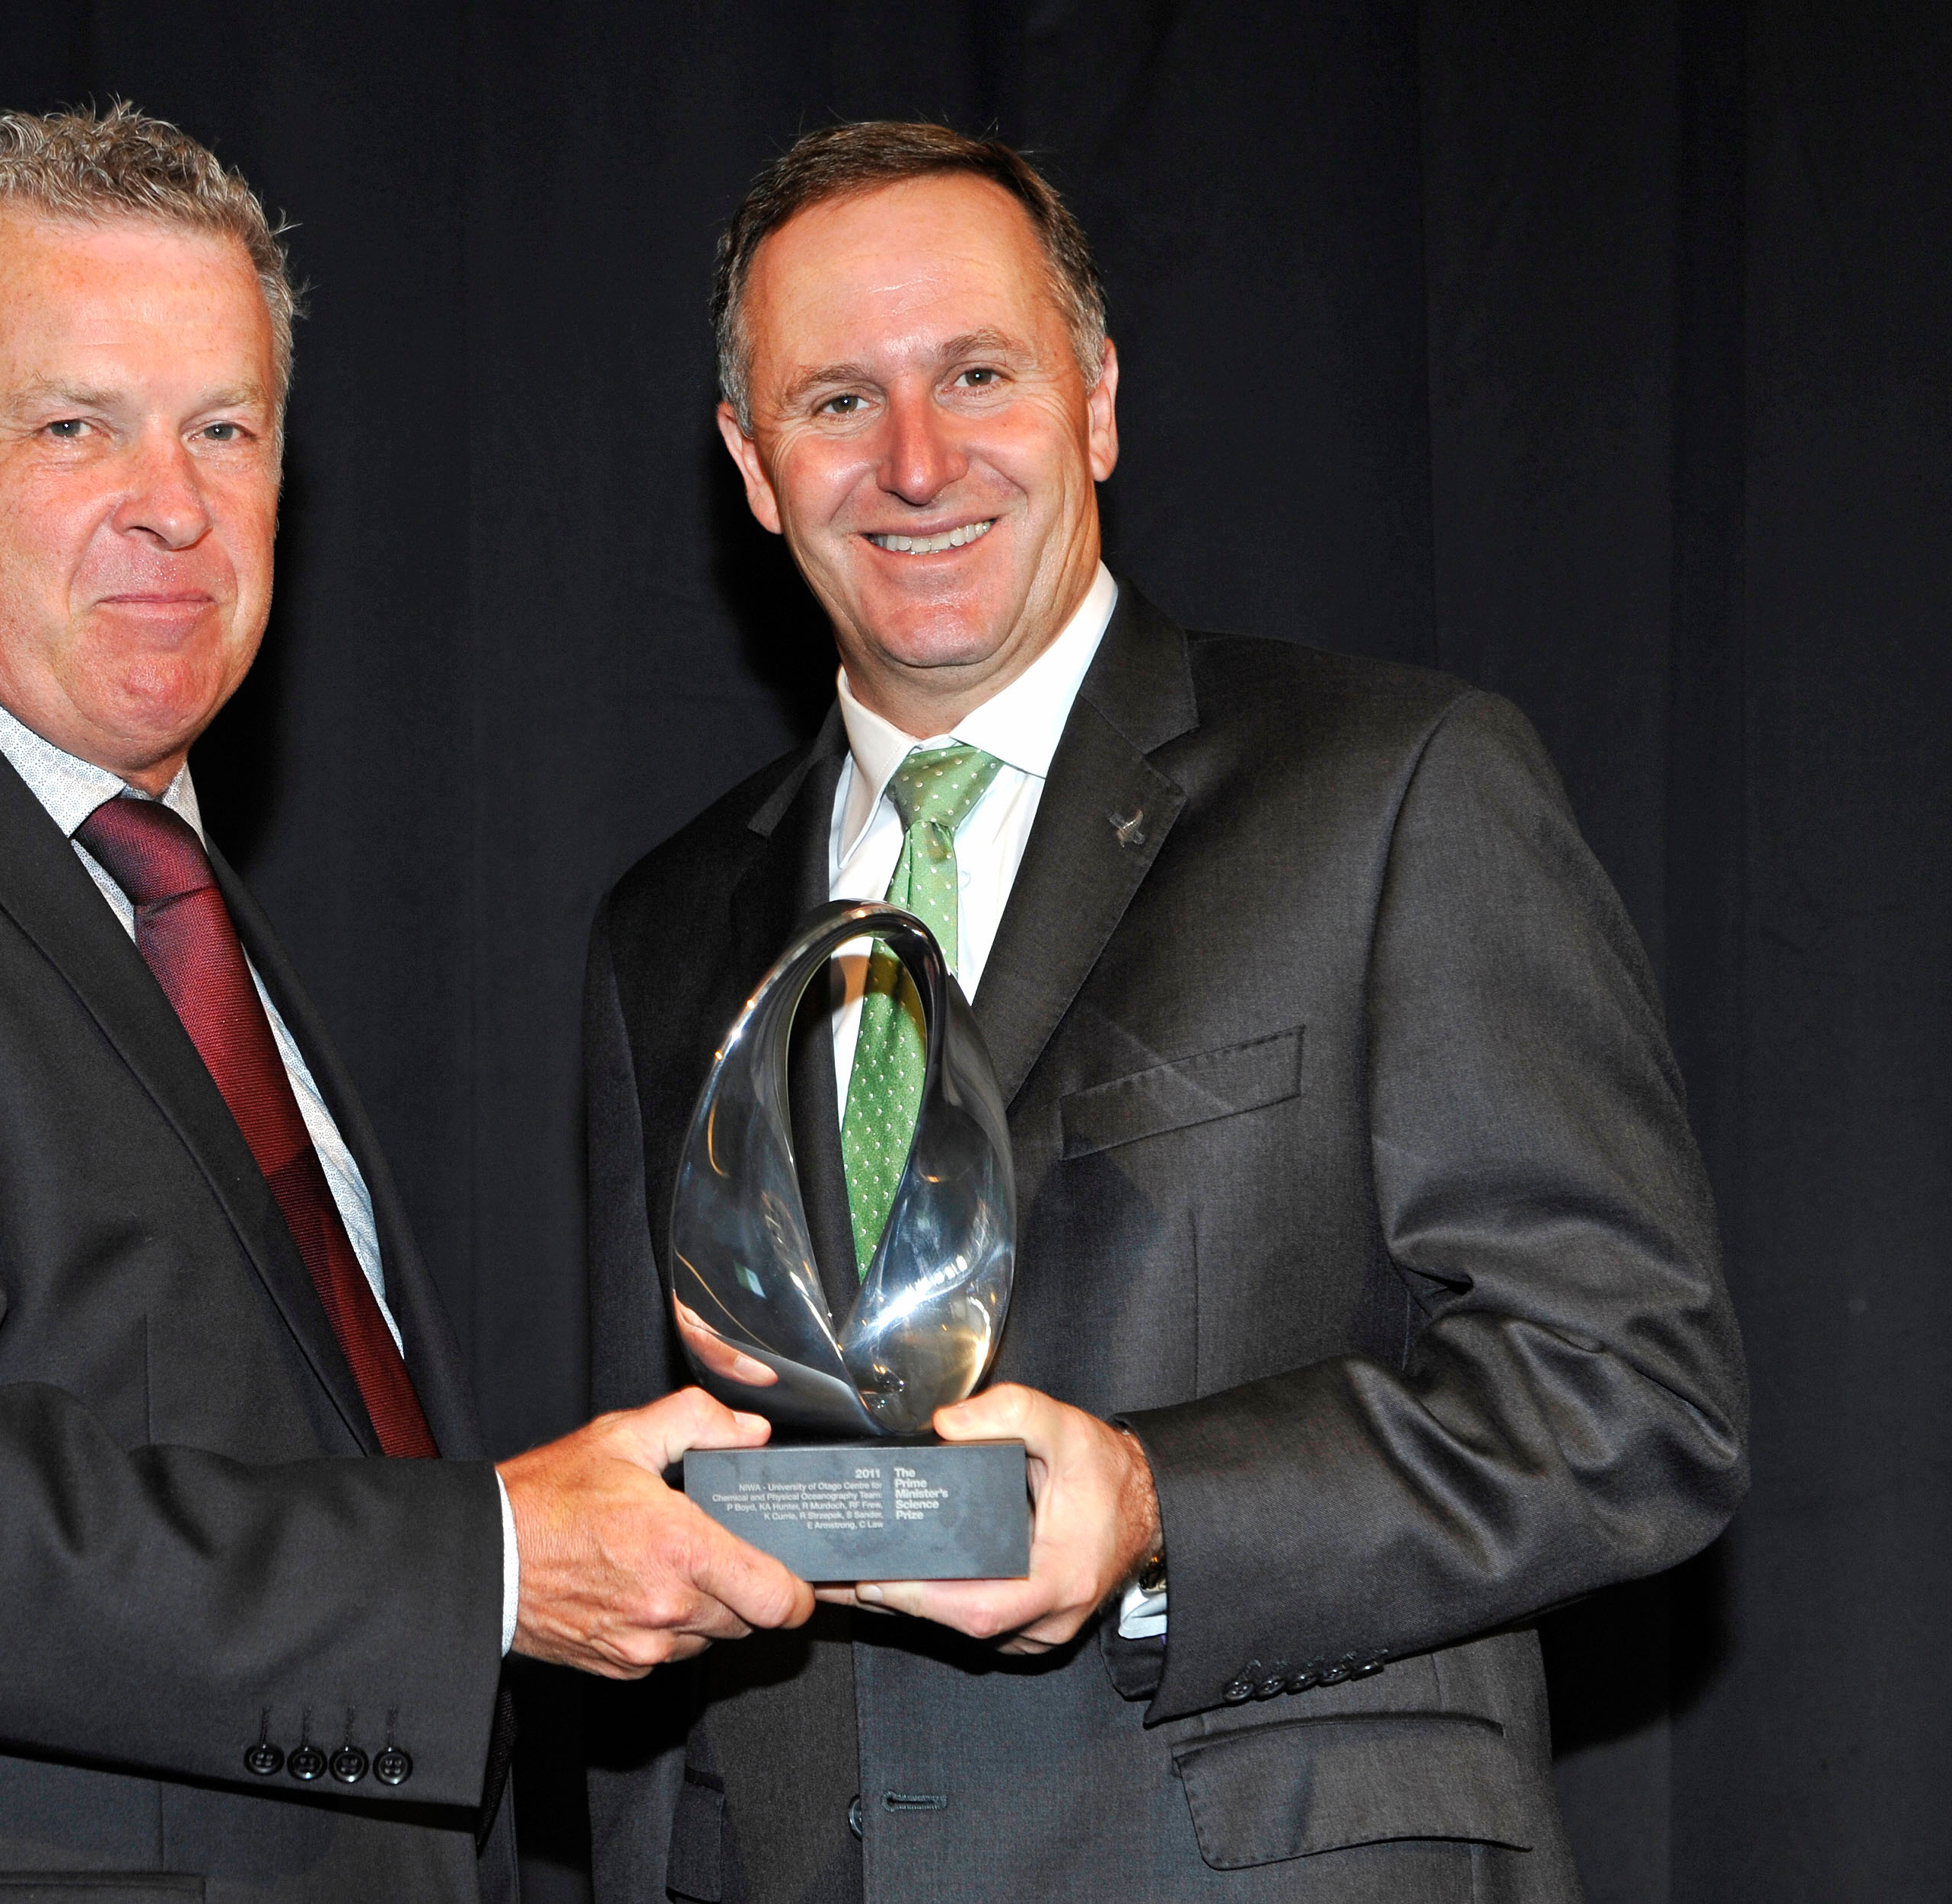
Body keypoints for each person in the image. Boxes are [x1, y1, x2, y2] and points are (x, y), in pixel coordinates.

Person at [0, 105, 809, 1904]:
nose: (172, 503)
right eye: (73, 427)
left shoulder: (174, 909)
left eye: (224, 428)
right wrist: (490, 1566)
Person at [583, 122, 1748, 1902]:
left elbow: (1632, 1399)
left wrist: (1153, 1506)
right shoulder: (664, 928)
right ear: (750, 464)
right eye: (833, 403)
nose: (913, 462)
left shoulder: (1391, 789)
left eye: (975, 374)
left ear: (1096, 399)